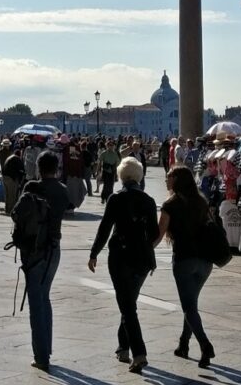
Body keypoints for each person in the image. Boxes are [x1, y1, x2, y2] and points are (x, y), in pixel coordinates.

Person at [88, 157, 158, 373]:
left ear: (121, 176)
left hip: (120, 256)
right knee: (129, 302)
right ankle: (123, 347)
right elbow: (155, 233)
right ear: (139, 176)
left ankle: (139, 353)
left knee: (127, 305)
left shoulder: (115, 198)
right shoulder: (148, 200)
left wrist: (94, 253)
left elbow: (105, 228)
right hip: (143, 260)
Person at [17, 152, 72, 370]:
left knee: (36, 302)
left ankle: (41, 356)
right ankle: (46, 348)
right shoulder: (63, 189)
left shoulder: (32, 187)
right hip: (54, 248)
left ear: (39, 168)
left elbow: (16, 214)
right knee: (45, 297)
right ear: (56, 167)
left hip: (34, 250)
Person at [159, 165, 216, 369]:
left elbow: (159, 235)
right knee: (191, 304)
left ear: (176, 180)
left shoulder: (170, 204)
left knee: (189, 306)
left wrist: (144, 251)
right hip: (205, 261)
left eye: (169, 177)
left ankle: (204, 344)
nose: (166, 180)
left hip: (184, 259)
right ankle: (183, 344)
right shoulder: (201, 201)